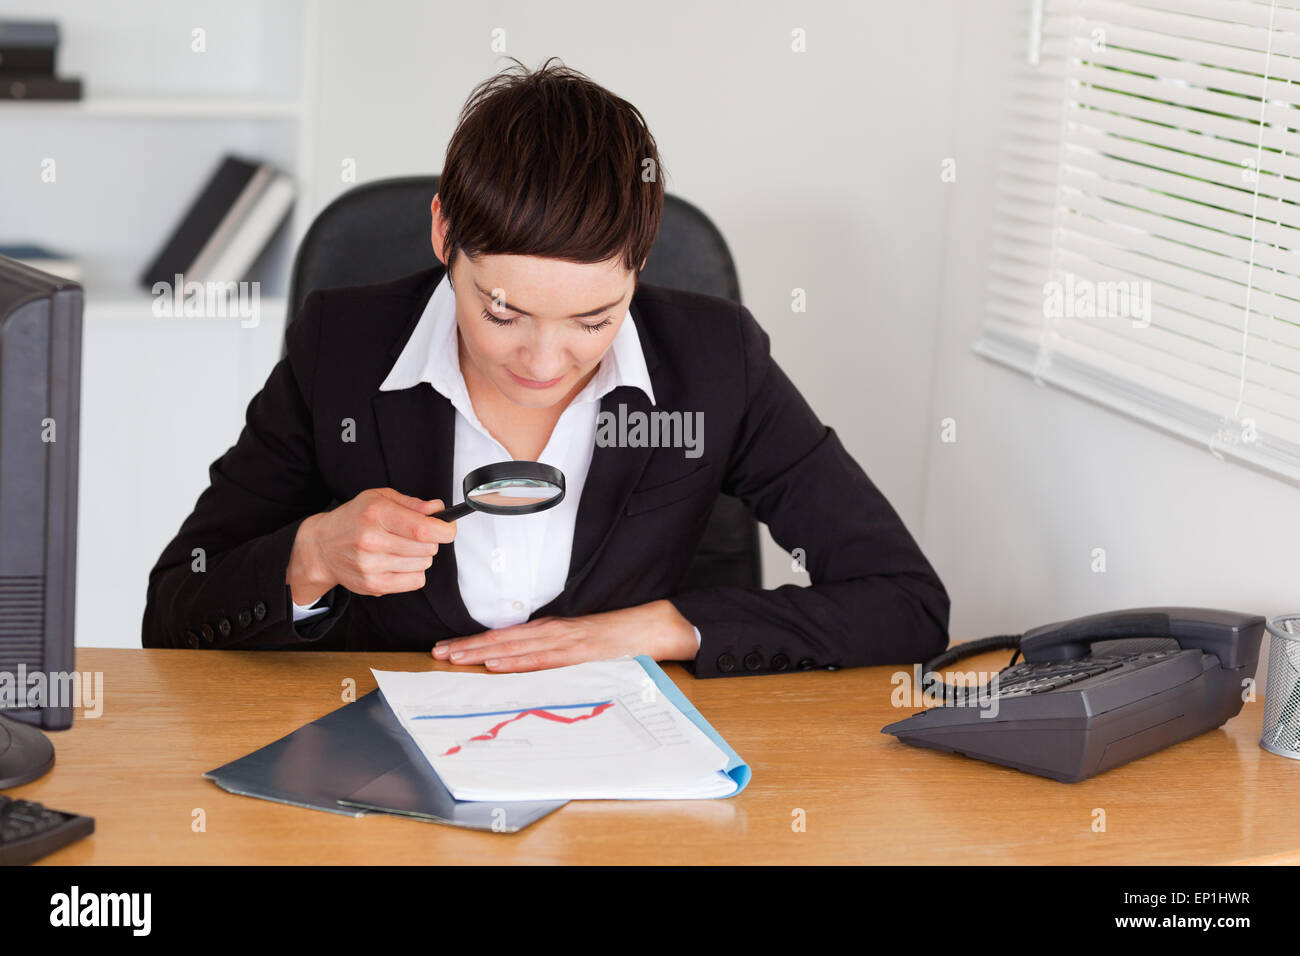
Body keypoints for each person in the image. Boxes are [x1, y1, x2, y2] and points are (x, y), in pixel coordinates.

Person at [141, 57, 950, 678]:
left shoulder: (714, 362)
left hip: (620, 779)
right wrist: (312, 554)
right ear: (442, 235)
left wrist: (666, 625)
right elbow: (174, 612)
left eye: (593, 319)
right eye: (503, 311)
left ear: (639, 265)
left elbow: (905, 601)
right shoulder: (342, 346)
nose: (542, 361)